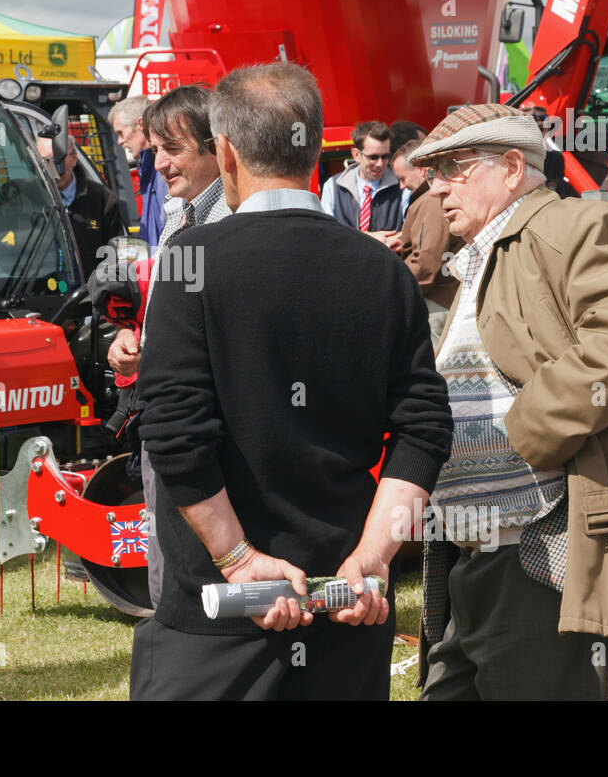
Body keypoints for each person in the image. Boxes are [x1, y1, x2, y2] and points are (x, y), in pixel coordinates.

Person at [132, 62, 452, 700]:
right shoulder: (380, 269)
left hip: (217, 613)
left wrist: (240, 560)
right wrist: (372, 558)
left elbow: (172, 431)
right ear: (314, 152)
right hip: (342, 596)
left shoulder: (191, 263)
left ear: (225, 152)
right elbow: (424, 428)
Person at [407, 103, 608, 701]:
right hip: (481, 547)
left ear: (513, 167)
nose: (435, 186)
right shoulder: (484, 256)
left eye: (453, 167)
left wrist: (532, 427)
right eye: (432, 171)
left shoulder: (564, 227)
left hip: (535, 547)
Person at [106, 83, 231, 610]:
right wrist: (133, 338)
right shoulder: (180, 215)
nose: (158, 164)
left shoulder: (233, 220)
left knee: (203, 569)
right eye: (154, 149)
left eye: (171, 149)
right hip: (167, 413)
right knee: (167, 560)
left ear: (216, 147)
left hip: (208, 423)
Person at [392, 139, 461, 350]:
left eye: (403, 178)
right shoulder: (427, 200)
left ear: (422, 170)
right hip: (439, 300)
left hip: (436, 303)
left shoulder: (430, 202)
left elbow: (427, 260)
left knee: (438, 373)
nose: (402, 186)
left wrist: (394, 287)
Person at [37, 133, 126, 280]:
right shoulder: (26, 198)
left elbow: (116, 257)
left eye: (56, 159)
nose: (51, 167)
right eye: (45, 160)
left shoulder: (102, 198)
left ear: (73, 157)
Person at [320, 120, 404, 243]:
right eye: (373, 157)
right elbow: (326, 232)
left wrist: (396, 240)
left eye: (385, 156)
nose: (380, 164)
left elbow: (412, 231)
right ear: (356, 155)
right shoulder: (332, 187)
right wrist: (368, 238)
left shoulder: (402, 185)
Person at [111, 95, 169, 252]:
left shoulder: (164, 172)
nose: (119, 141)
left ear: (140, 124)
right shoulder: (149, 169)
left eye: (121, 133)